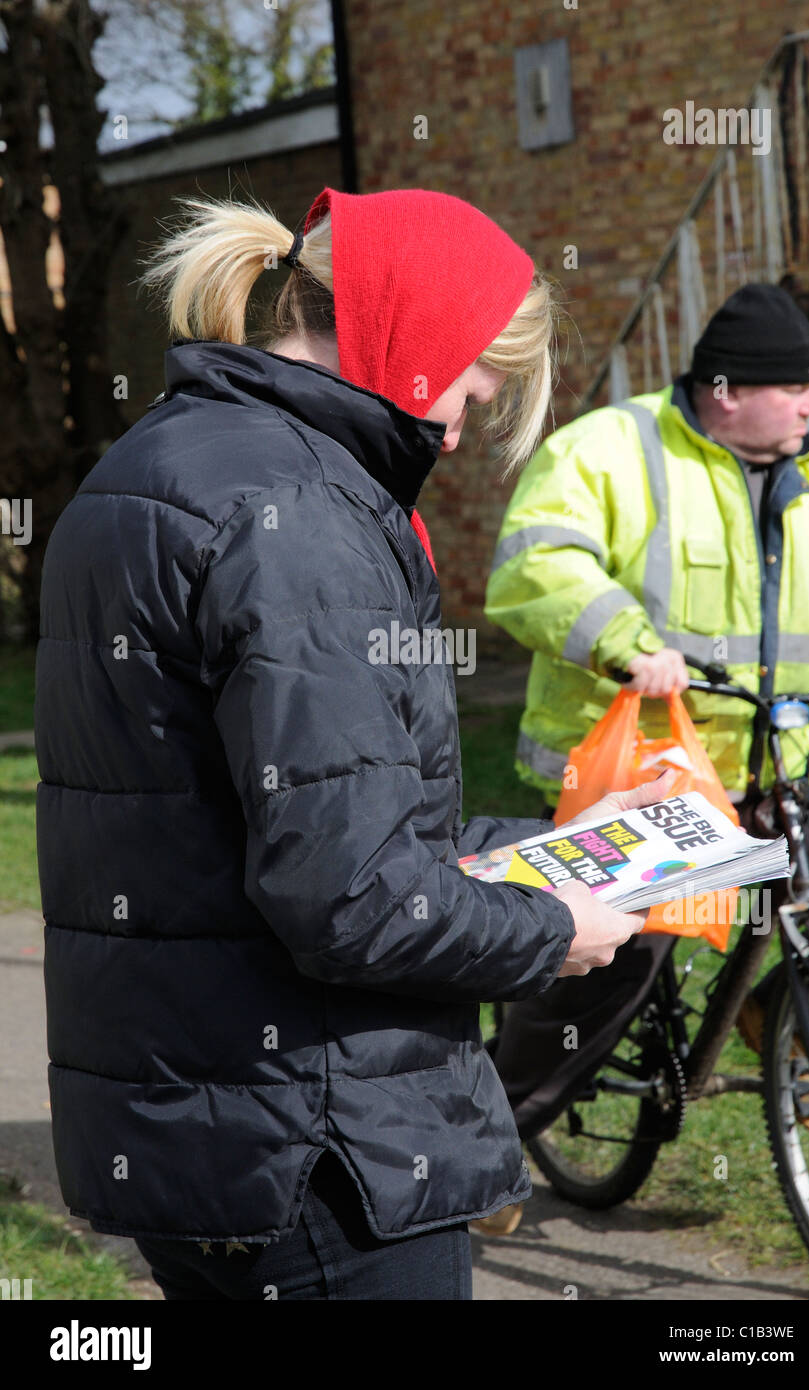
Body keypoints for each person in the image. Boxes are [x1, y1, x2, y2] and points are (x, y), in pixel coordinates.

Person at [33, 186, 671, 1301]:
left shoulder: (153, 466)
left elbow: (294, 819)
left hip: (201, 1123)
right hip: (323, 1145)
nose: (470, 420)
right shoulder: (304, 516)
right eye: (478, 379)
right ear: (417, 342)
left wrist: (566, 839)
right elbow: (350, 898)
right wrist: (551, 927)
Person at [484, 283, 809, 1147]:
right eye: (792, 387)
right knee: (605, 967)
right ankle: (490, 1137)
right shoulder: (608, 449)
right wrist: (627, 643)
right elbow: (535, 563)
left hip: (799, 761)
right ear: (725, 392)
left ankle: (779, 1016)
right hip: (653, 781)